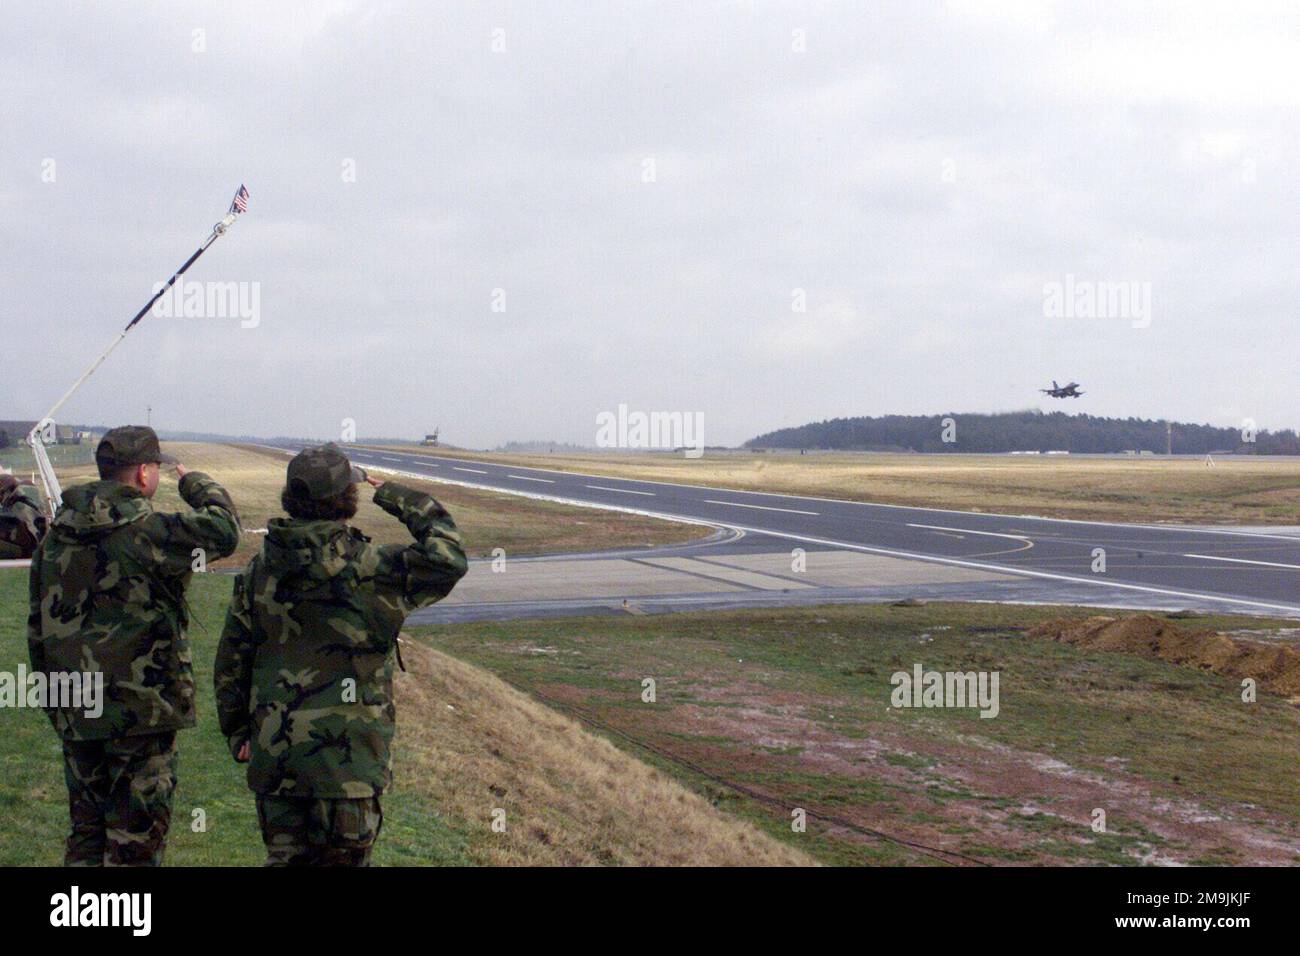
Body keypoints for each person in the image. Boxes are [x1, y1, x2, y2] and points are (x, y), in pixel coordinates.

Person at [214, 443, 467, 866]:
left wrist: (238, 733)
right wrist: (392, 493)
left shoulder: (259, 571)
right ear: (348, 501)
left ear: (291, 499)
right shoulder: (375, 568)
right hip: (348, 765)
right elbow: (449, 556)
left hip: (278, 760)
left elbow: (232, 659)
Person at [27, 425, 240, 865]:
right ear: (143, 474)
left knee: (86, 832)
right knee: (135, 839)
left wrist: (55, 704)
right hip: (141, 714)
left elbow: (37, 630)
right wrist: (195, 482)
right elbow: (225, 531)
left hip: (76, 709)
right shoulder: (152, 532)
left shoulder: (54, 539)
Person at [0, 473, 47, 558]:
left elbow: (28, 537)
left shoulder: (18, 506)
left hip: (28, 550)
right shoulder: (27, 503)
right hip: (35, 548)